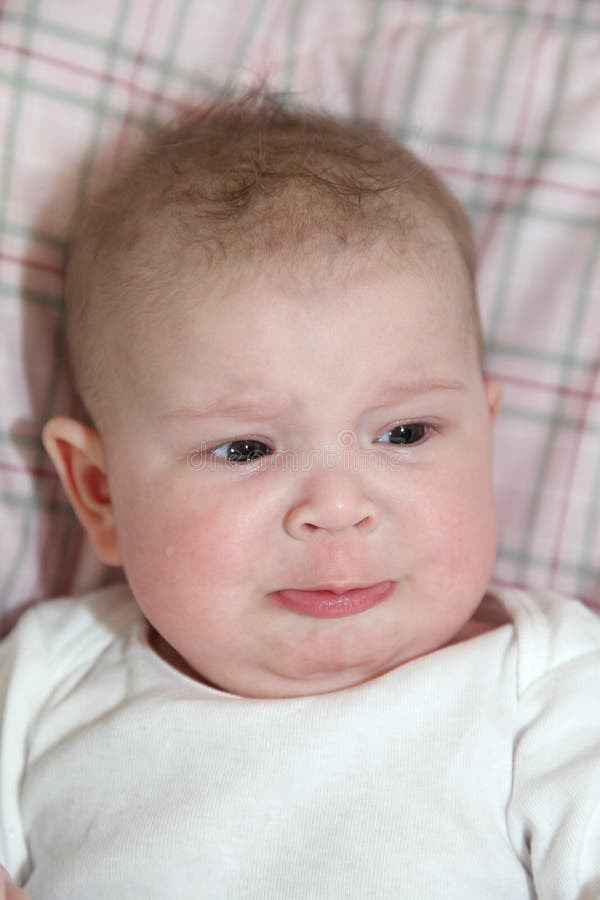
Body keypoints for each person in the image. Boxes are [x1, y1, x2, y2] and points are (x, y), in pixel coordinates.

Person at [1, 89, 599, 899]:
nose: (338, 505)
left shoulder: (547, 680)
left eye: (405, 433)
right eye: (246, 448)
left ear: (485, 435)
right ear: (100, 494)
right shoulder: (44, 678)